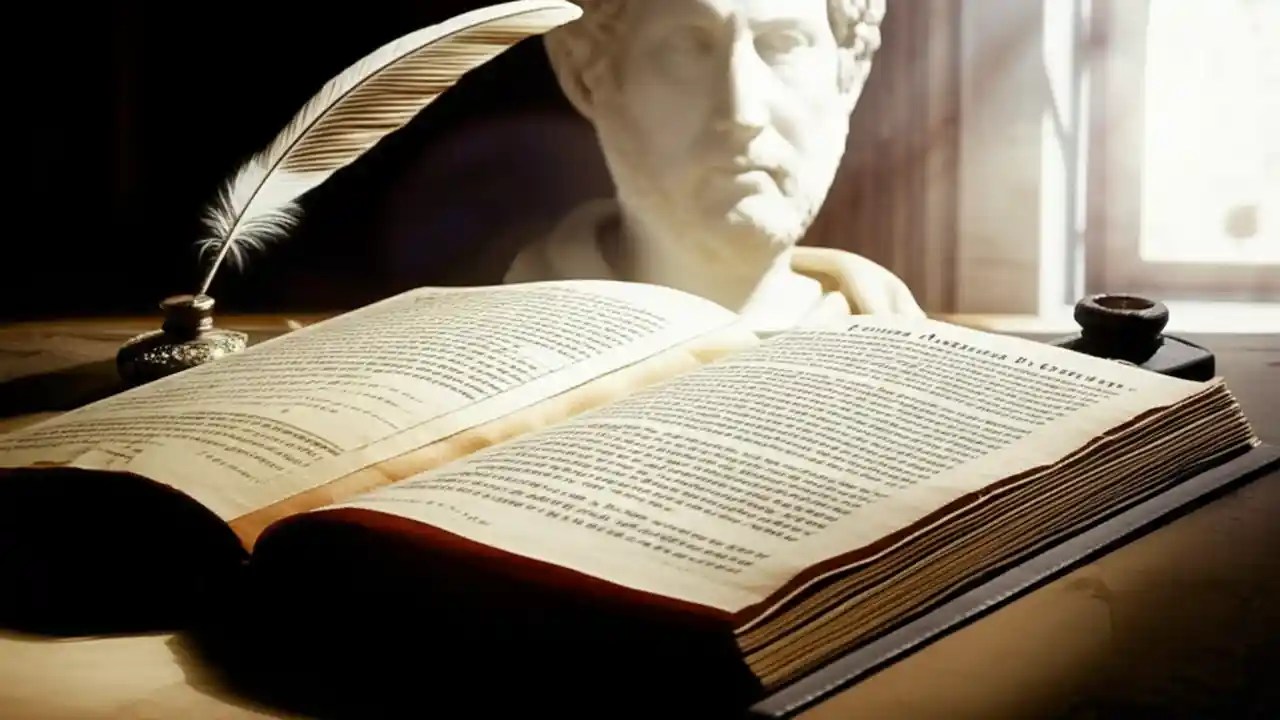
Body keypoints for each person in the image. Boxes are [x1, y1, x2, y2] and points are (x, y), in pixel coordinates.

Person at [504, 0, 925, 335]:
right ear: (585, 75)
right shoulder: (508, 347)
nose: (743, 112)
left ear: (848, 74)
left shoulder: (906, 348)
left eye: (784, 43)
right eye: (688, 47)